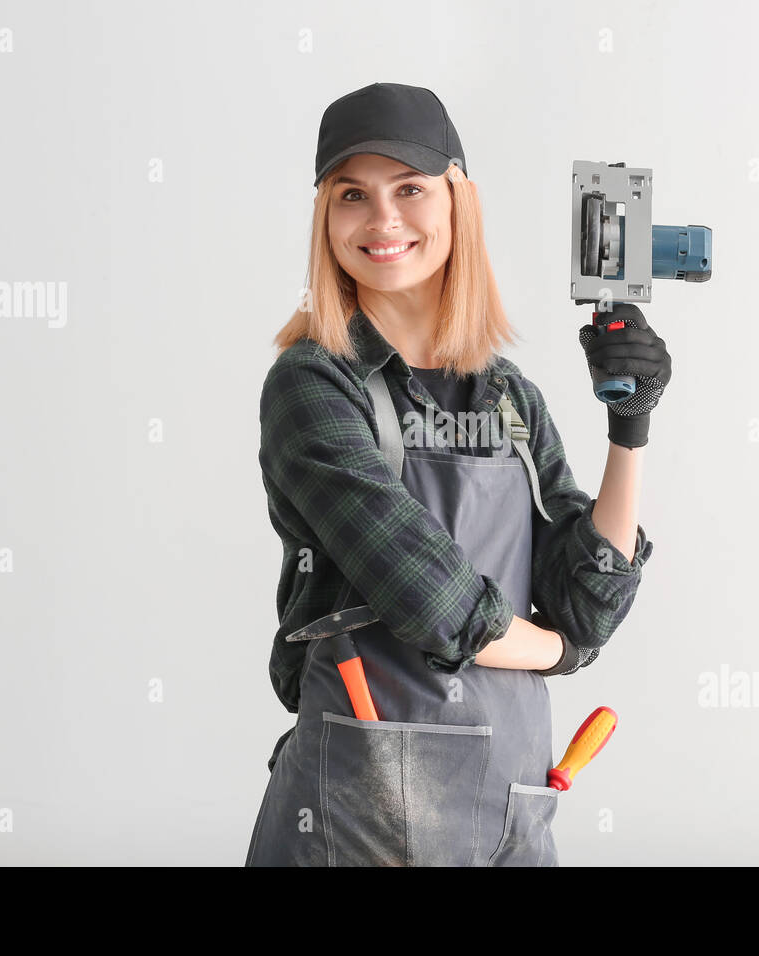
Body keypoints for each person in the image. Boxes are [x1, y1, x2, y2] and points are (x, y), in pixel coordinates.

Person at [245, 82, 670, 867]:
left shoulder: (507, 397)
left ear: (457, 202)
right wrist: (559, 654)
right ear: (325, 218)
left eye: (410, 188)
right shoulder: (314, 387)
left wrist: (629, 426)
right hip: (357, 812)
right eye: (352, 196)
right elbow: (430, 596)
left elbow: (586, 598)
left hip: (507, 803)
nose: (383, 220)